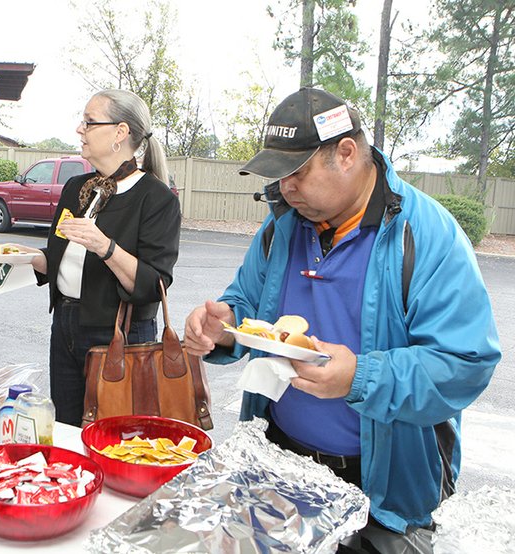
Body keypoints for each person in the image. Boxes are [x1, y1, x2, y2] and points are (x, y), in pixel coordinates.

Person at [184, 87, 500, 553]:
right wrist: (224, 327)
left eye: (297, 173)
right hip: (277, 466)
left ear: (347, 154)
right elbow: (249, 302)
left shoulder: (427, 234)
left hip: (382, 497)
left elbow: (465, 362)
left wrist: (359, 377)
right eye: (279, 177)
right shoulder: (281, 227)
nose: (285, 189)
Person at [7, 89, 181, 427]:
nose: (79, 129)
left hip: (119, 336)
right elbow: (64, 256)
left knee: (114, 436)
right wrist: (33, 259)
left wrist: (106, 247)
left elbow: (154, 284)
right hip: (65, 326)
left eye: (89, 122)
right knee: (66, 428)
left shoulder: (156, 198)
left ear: (120, 132)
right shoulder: (77, 188)